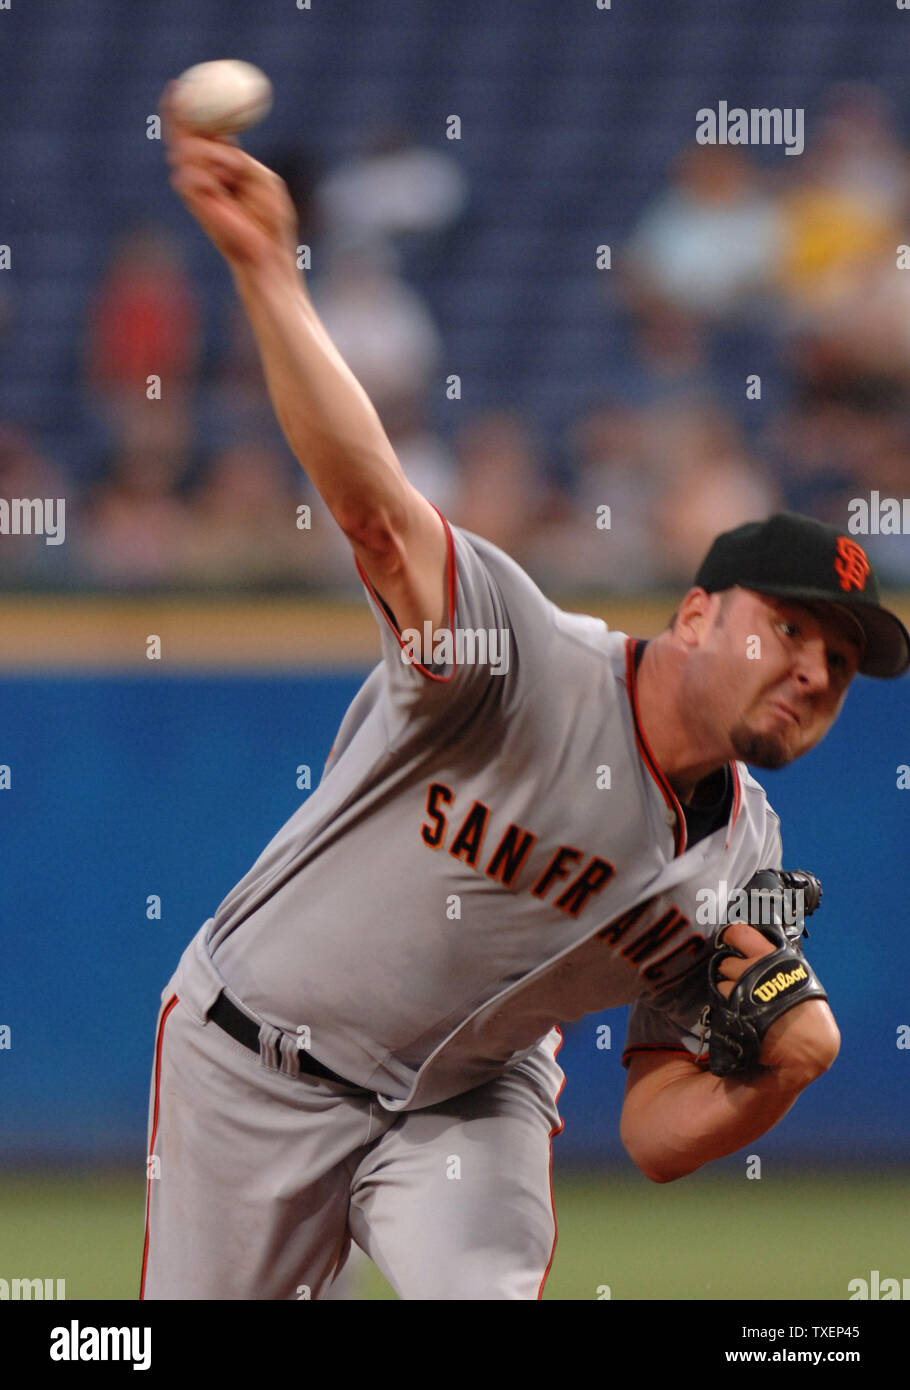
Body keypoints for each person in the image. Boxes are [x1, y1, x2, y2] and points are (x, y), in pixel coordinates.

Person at [141, 90, 910, 1301]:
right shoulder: (526, 657)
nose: (816, 668)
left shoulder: (746, 862)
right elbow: (376, 511)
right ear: (697, 613)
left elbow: (657, 1133)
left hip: (470, 1099)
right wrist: (271, 278)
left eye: (843, 658)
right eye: (791, 627)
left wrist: (773, 1076)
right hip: (253, 1059)